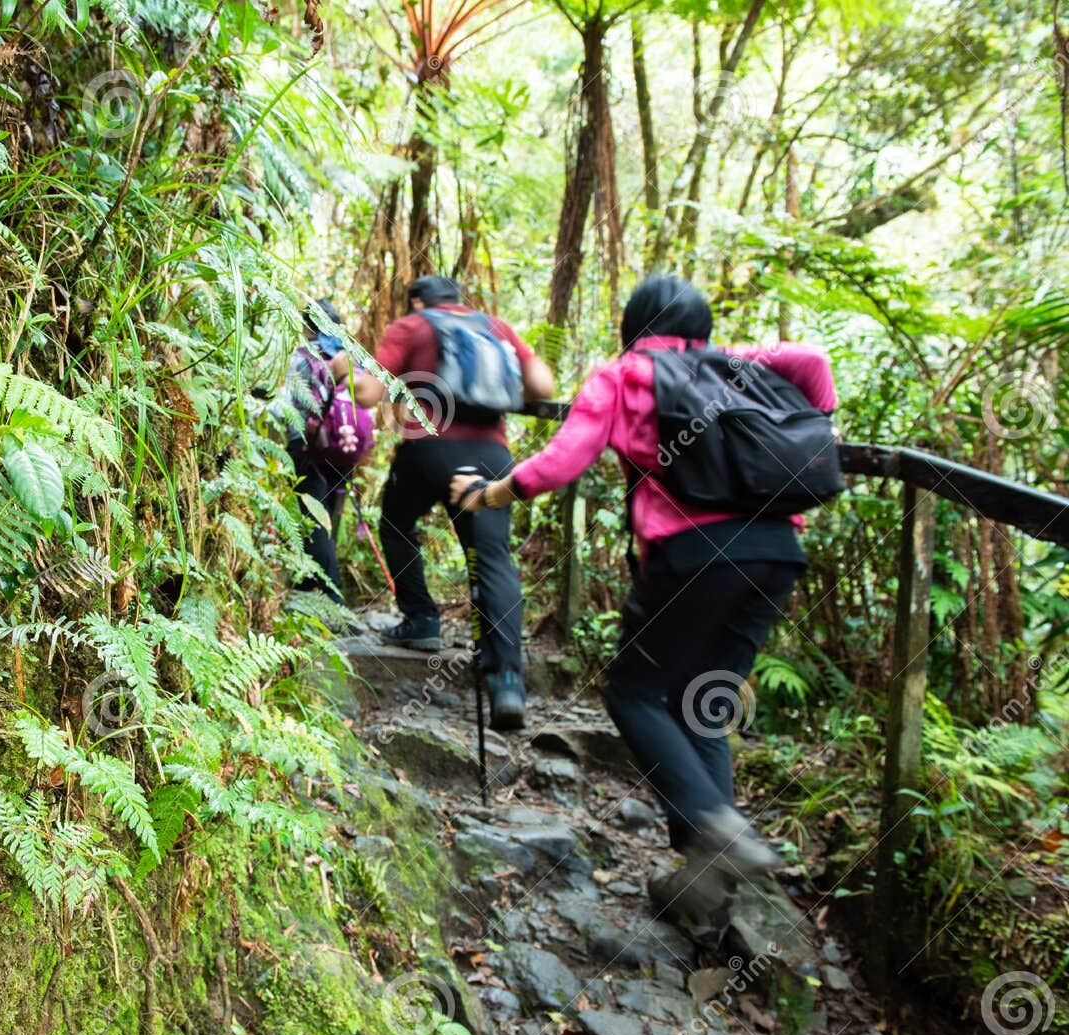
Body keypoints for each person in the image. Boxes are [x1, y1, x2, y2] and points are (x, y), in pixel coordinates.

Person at [448, 274, 838, 944]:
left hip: (695, 554)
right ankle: (707, 897)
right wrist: (821, 423)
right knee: (702, 706)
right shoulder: (736, 365)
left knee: (634, 693)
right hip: (777, 551)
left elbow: (560, 462)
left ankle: (716, 829)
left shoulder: (626, 375)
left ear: (634, 325)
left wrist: (486, 496)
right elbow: (814, 362)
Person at [351, 276, 554, 731]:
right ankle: (506, 680)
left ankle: (421, 619)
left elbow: (368, 393)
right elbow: (543, 382)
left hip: (429, 450)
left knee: (399, 523)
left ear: (419, 300)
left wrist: (348, 368)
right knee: (491, 557)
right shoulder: (494, 327)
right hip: (491, 457)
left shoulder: (411, 326)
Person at [279, 300, 370, 603]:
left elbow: (283, 406)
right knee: (328, 515)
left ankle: (334, 598)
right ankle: (307, 583)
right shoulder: (352, 358)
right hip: (343, 448)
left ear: (307, 325)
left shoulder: (302, 357)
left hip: (308, 445)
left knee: (314, 516)